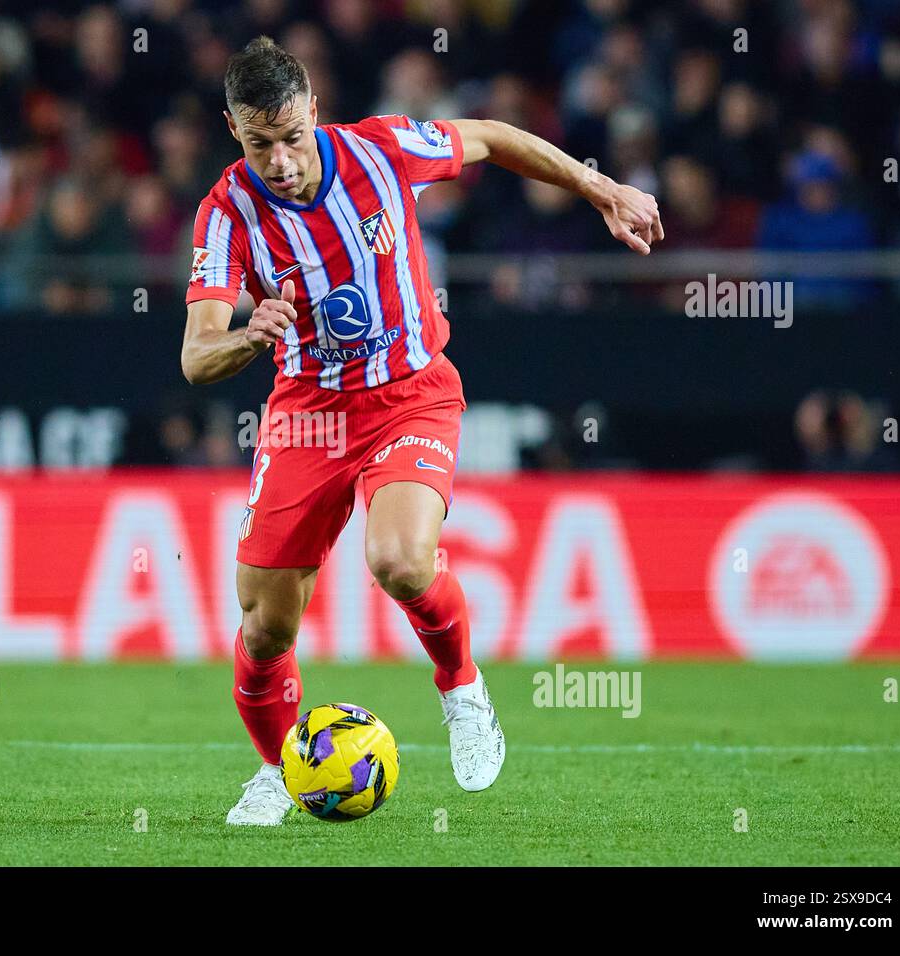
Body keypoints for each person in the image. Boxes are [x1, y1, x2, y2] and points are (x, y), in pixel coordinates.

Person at [180, 37, 662, 826]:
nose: (281, 160)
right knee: (266, 628)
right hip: (306, 416)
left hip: (411, 395)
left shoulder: (380, 150)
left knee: (400, 561)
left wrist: (597, 185)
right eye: (260, 142)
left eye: (293, 137)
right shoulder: (226, 213)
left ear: (314, 113)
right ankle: (279, 769)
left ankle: (464, 692)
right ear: (233, 129)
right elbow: (197, 357)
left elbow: (494, 138)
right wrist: (246, 336)